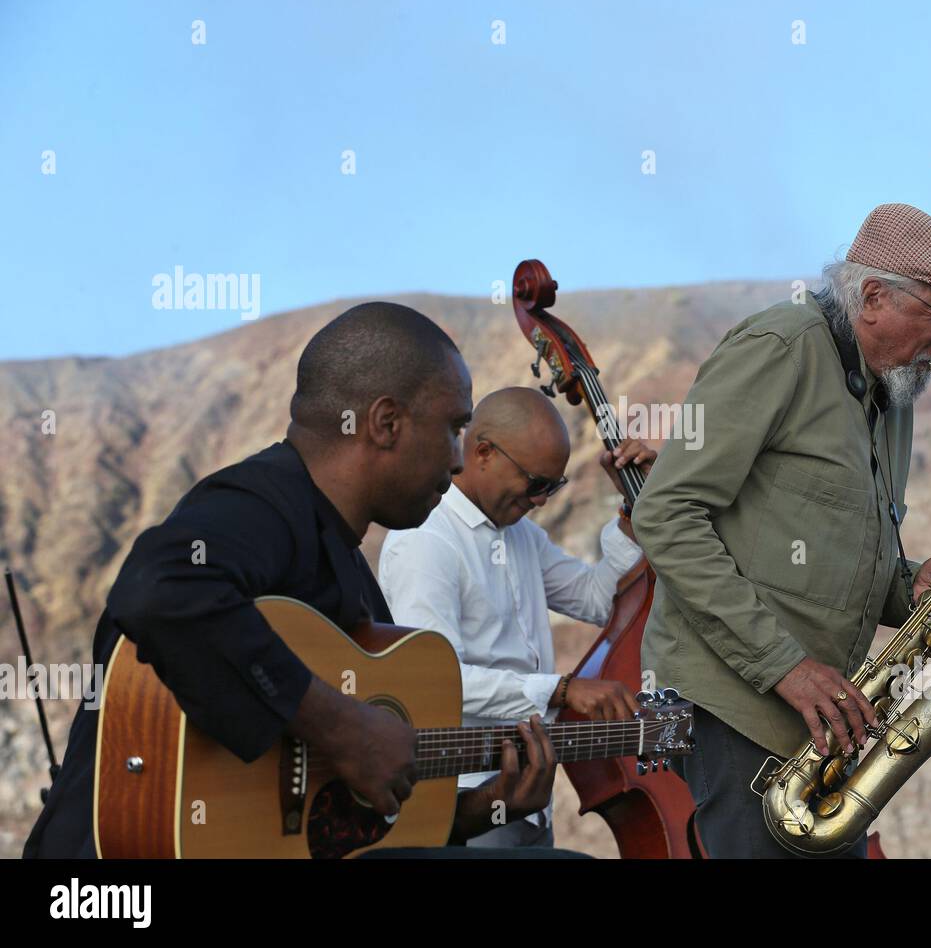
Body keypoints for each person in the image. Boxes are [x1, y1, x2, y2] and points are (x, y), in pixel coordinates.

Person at [25, 302, 565, 858]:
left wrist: (486, 808)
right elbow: (157, 587)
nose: (457, 461)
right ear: (384, 424)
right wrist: (343, 729)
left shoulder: (353, 577)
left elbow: (327, 831)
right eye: (453, 428)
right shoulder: (260, 504)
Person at [634, 203, 931, 858]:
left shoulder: (893, 393)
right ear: (874, 297)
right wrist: (788, 669)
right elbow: (666, 513)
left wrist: (915, 586)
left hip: (813, 723)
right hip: (729, 706)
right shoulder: (780, 347)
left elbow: (839, 557)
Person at [379, 386, 655, 848]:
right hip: (465, 799)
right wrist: (563, 689)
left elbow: (595, 599)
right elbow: (440, 683)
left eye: (554, 486)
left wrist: (630, 511)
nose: (543, 500)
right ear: (483, 453)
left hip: (529, 795)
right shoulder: (427, 540)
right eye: (536, 484)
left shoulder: (520, 534)